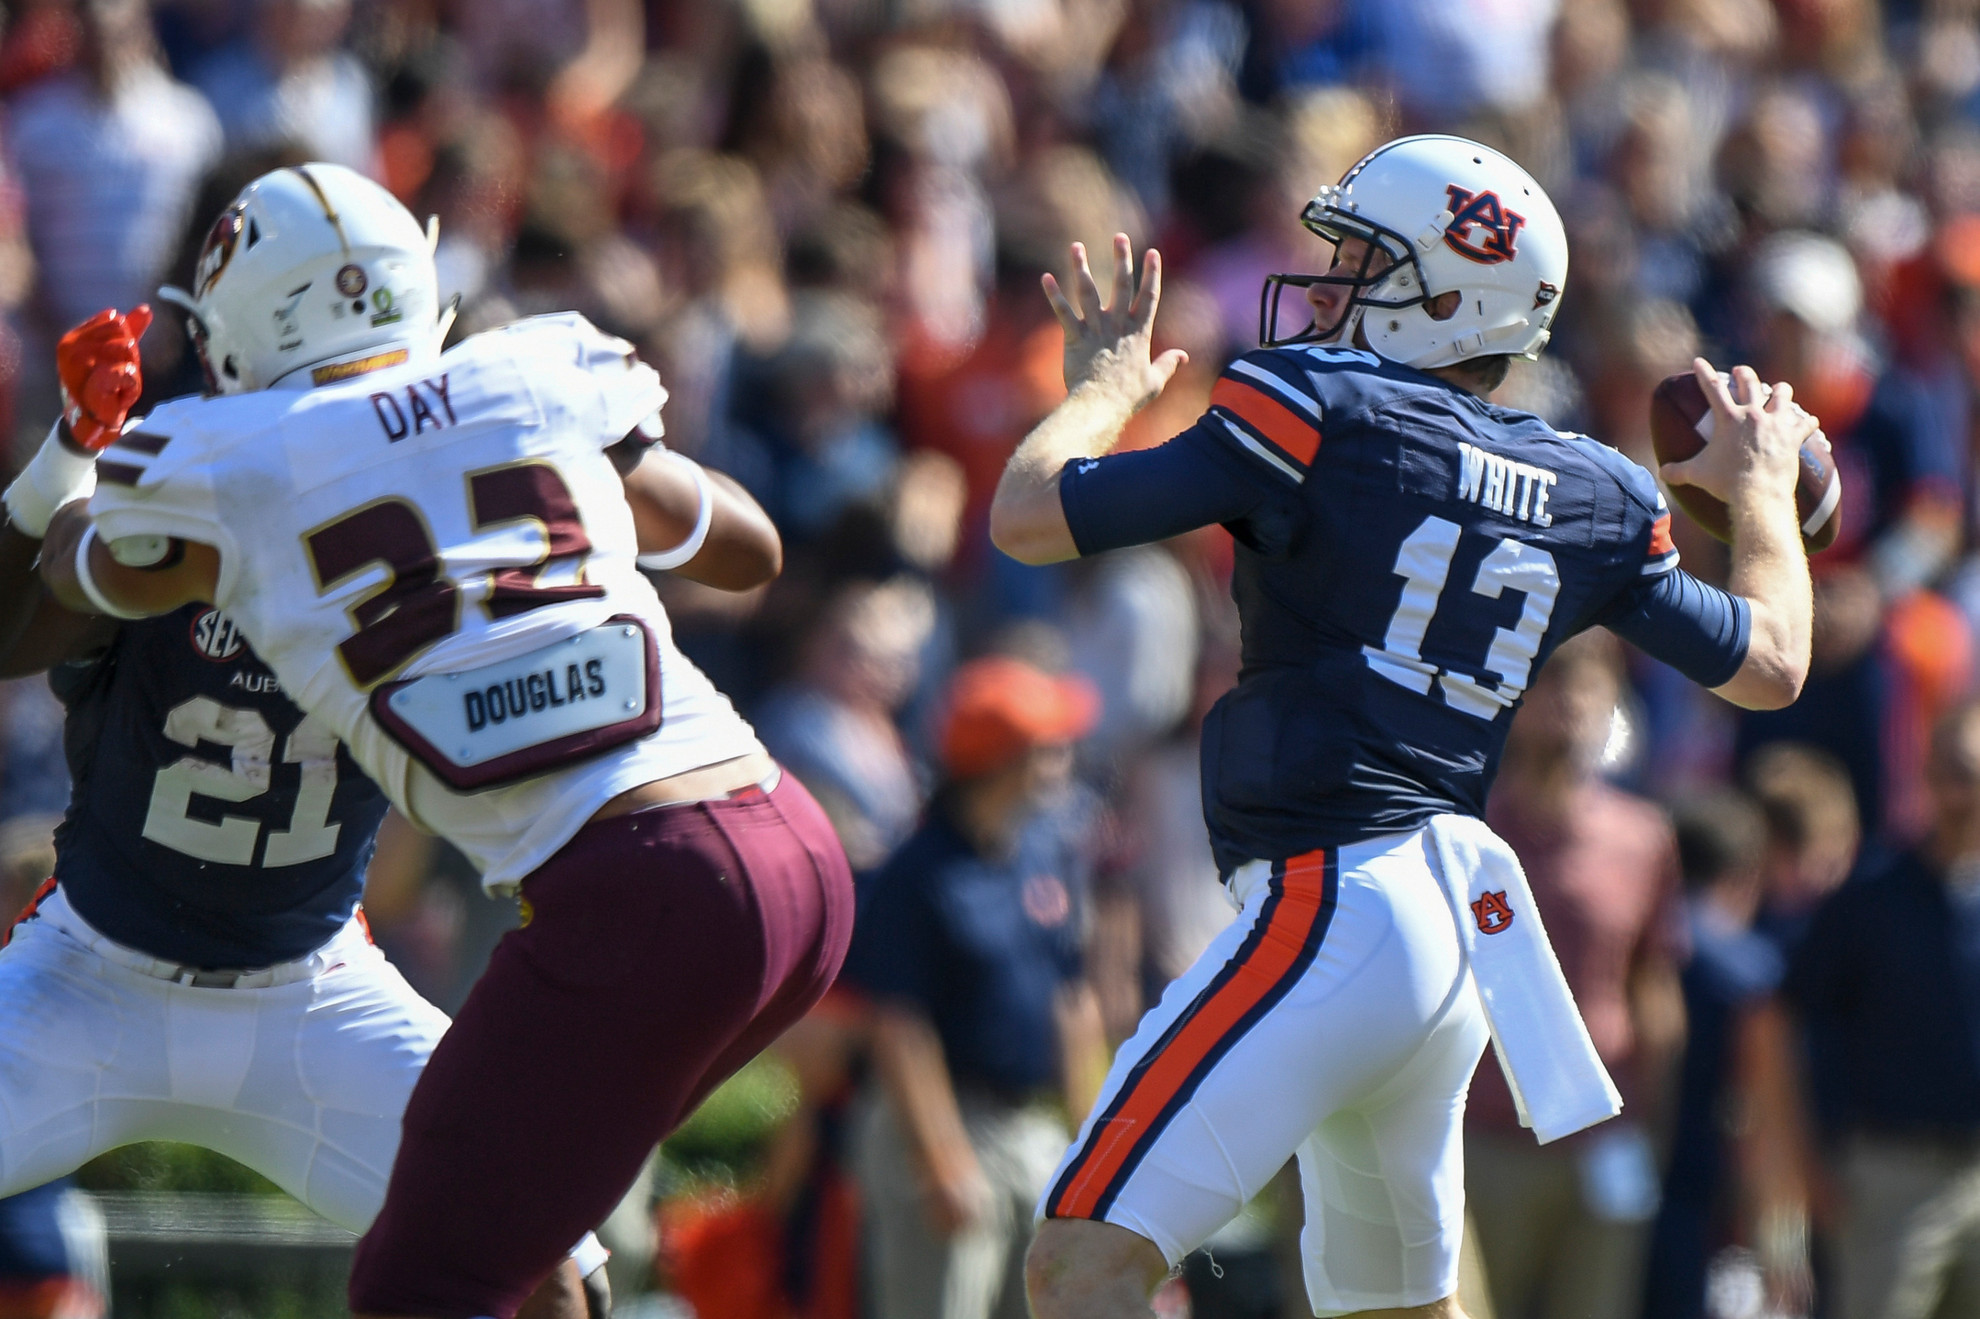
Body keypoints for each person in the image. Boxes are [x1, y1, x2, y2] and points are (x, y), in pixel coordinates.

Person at [987, 134, 1818, 1319]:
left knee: (1081, 1262)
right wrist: (1764, 495)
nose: (1323, 288)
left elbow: (1028, 516)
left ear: (1447, 295)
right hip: (1449, 934)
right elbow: (1772, 662)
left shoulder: (1316, 409)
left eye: (1361, 264)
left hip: (1337, 904)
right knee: (1398, 1310)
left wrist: (1105, 388)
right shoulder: (1594, 490)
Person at [32, 162, 856, 1319]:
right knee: (520, 1251)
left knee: (435, 1281)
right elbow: (750, 550)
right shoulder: (534, 372)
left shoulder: (222, 459)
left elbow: (62, 587)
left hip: (628, 888)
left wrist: (72, 459)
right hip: (790, 847)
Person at [0, 298, 607, 1319]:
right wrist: (72, 450)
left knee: (552, 1269)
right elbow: (8, 629)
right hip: (90, 974)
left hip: (312, 992)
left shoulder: (441, 555)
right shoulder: (161, 507)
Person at [841, 655, 1110, 1319]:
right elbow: (898, 1026)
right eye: (1048, 747)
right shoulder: (918, 871)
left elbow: (1072, 1001)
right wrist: (941, 1162)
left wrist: (1097, 1145)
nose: (1064, 758)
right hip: (944, 1125)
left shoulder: (1041, 849)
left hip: (1027, 1127)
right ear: (1003, 760)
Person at [1467, 631, 1686, 1319]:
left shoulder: (1642, 836)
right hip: (1484, 1133)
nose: (1567, 704)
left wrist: (1652, 1125)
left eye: (1586, 686)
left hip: (1602, 1137)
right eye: (1551, 683)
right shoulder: (1466, 829)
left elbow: (1653, 986)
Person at [1756, 700, 1980, 1319]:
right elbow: (1780, 1024)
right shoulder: (1871, 899)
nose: (1970, 794)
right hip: (1889, 1174)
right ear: (1928, 777)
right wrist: (1801, 1165)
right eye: (1959, 773)